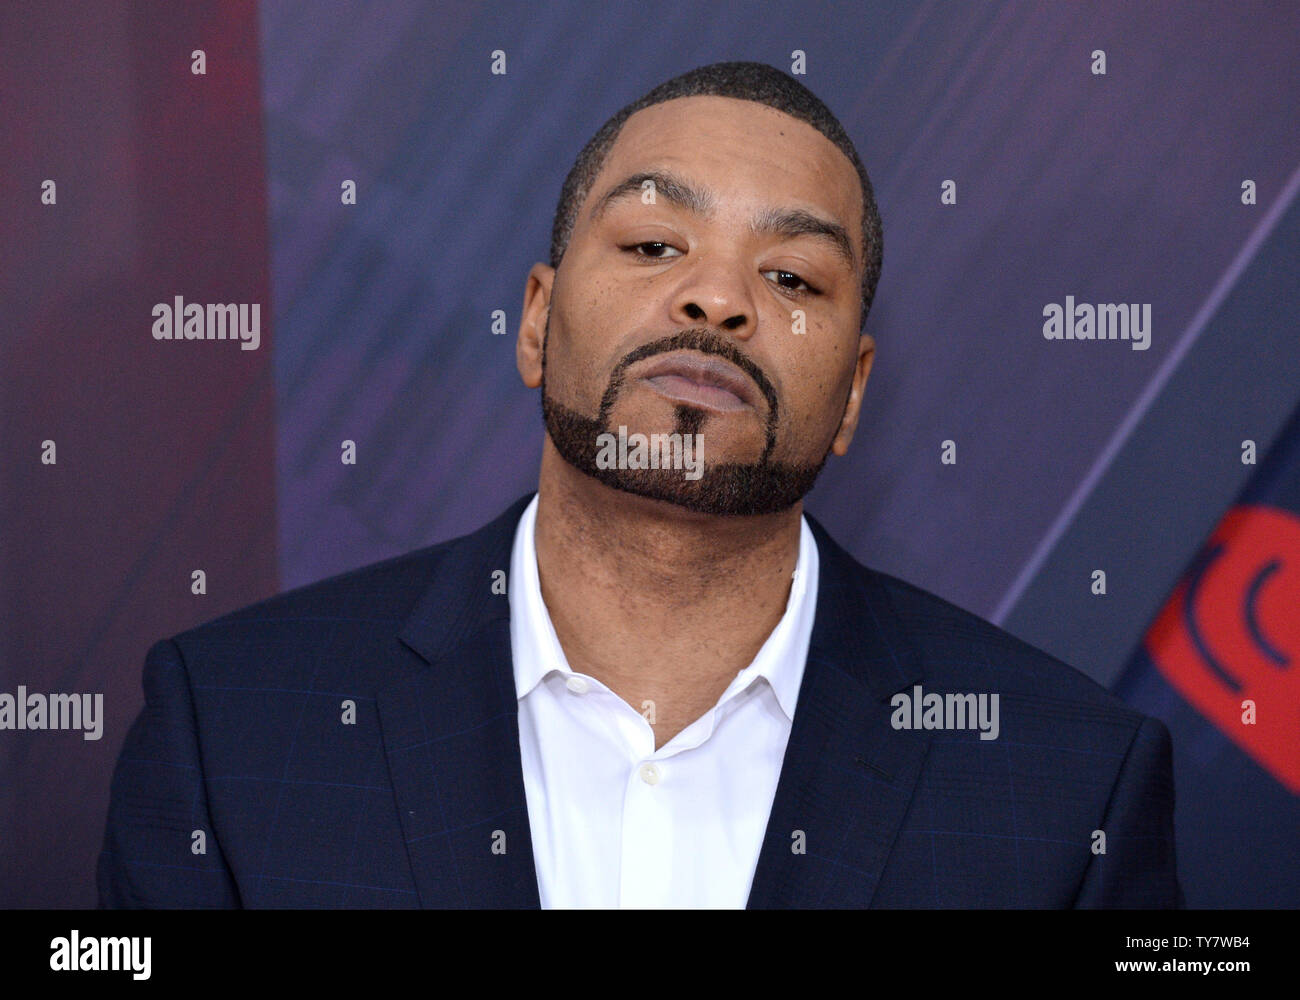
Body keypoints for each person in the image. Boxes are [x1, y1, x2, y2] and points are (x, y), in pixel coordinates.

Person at [99, 61, 1183, 908]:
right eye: (656, 242)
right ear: (534, 319)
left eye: (791, 275)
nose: (715, 298)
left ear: (853, 394)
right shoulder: (234, 725)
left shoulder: (1063, 779)